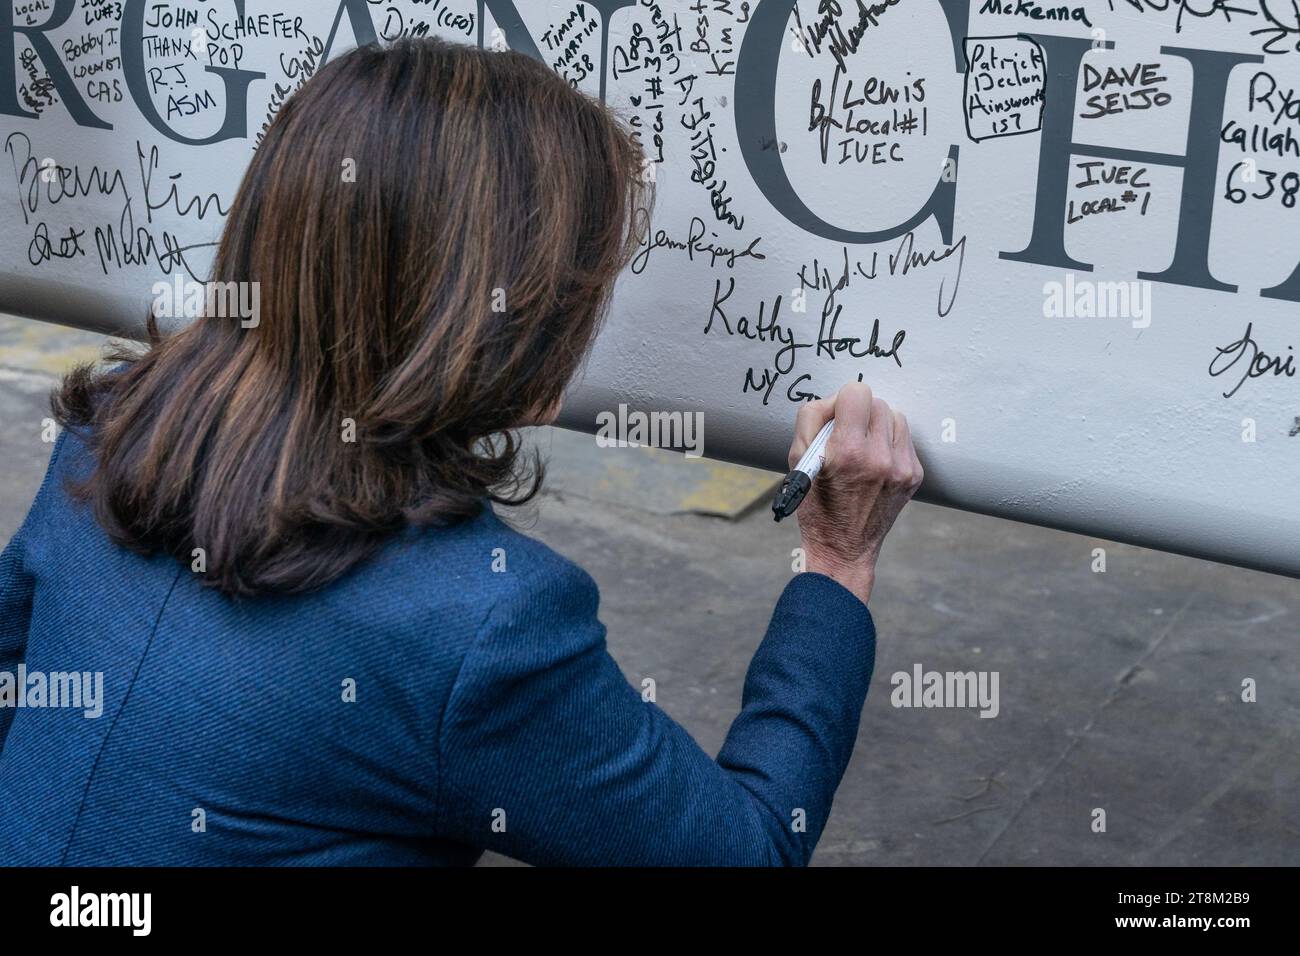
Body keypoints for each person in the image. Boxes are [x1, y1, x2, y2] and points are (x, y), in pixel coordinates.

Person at [0, 37, 922, 866]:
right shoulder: (484, 622)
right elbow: (748, 853)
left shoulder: (110, 424)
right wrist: (836, 567)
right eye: (587, 274)